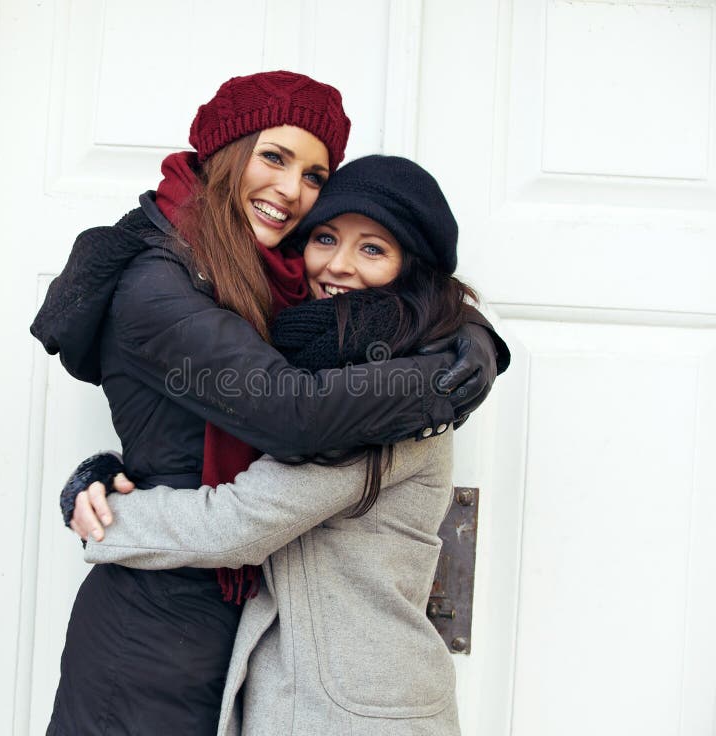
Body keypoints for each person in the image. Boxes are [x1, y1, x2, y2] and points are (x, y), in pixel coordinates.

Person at [31, 71, 508, 735]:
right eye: (275, 157)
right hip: (154, 638)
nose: (291, 191)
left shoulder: (277, 288)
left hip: (245, 647)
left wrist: (463, 333)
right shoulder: (161, 283)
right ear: (228, 154)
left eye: (314, 175)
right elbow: (288, 415)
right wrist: (438, 374)